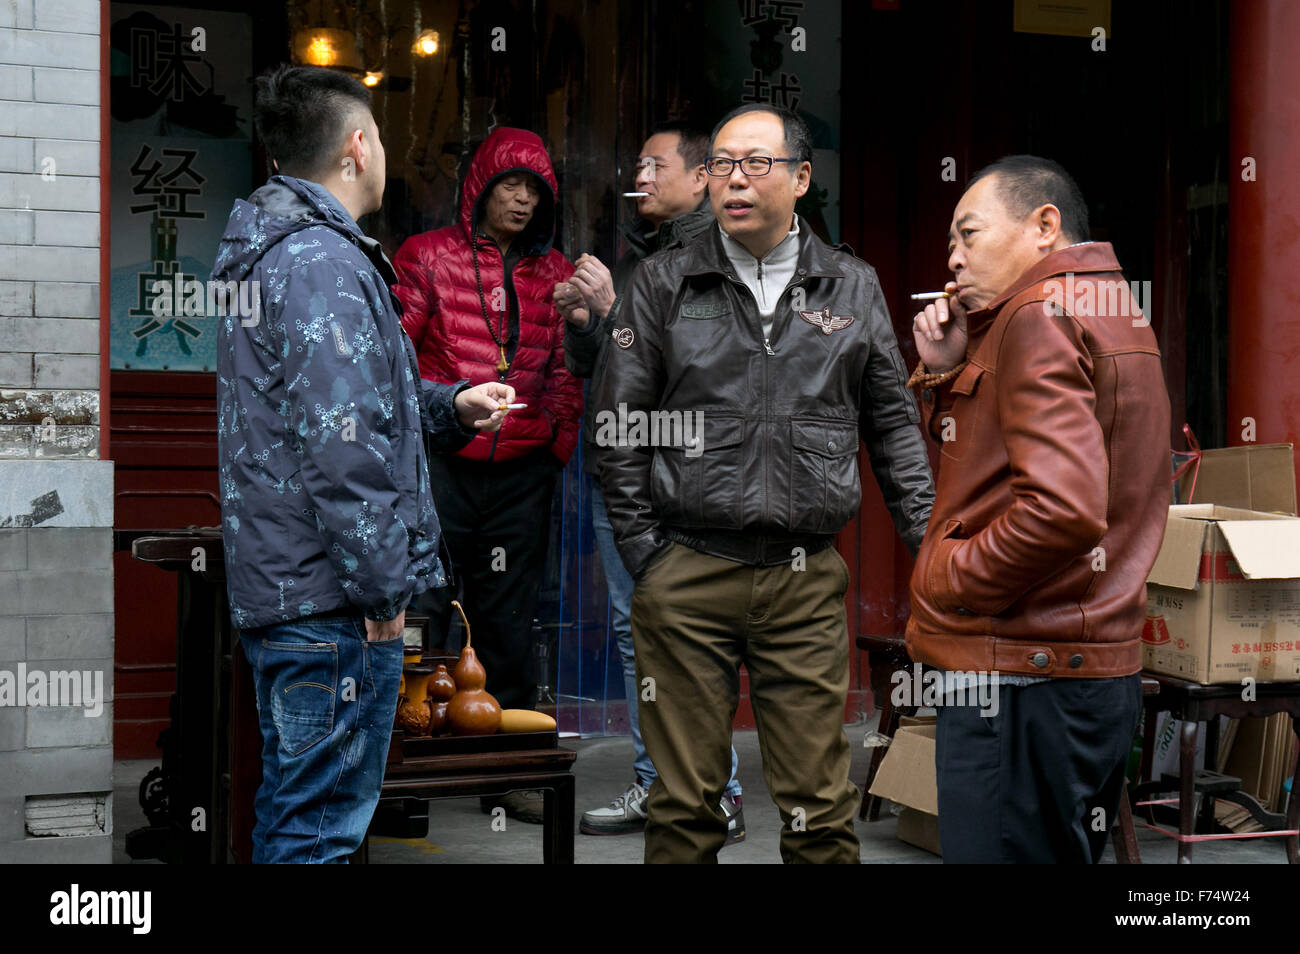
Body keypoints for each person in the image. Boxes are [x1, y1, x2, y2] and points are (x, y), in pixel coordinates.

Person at [595, 104, 934, 863]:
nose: (734, 180)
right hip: (685, 569)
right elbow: (617, 429)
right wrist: (648, 556)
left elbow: (893, 429)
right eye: (720, 165)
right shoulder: (661, 282)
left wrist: (932, 553)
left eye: (757, 163)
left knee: (820, 812)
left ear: (802, 178)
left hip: (804, 577)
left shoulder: (850, 286)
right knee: (683, 811)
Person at [214, 65, 513, 863]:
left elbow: (333, 405)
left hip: (295, 592)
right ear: (356, 146)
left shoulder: (275, 248)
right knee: (319, 828)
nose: (383, 150)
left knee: (299, 810)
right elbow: (342, 446)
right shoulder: (320, 259)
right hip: (329, 602)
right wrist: (383, 591)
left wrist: (449, 407)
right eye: (378, 134)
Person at [905, 155, 1171, 863]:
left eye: (968, 234)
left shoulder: (1036, 315)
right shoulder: (1109, 307)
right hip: (1086, 668)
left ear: (1043, 225)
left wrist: (948, 577)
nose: (952, 258)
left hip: (1023, 668)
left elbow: (1061, 511)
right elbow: (1001, 468)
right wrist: (944, 372)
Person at [555, 124, 745, 842]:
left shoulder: (717, 254)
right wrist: (585, 326)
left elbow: (698, 368)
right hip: (621, 473)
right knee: (641, 639)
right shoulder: (646, 257)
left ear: (701, 178)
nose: (639, 174)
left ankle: (715, 796)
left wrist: (610, 314)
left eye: (653, 164)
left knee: (688, 637)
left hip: (680, 478)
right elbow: (607, 370)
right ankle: (655, 784)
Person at [394, 128, 583, 823]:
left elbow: (566, 373)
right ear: (480, 186)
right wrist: (424, 434)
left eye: (535, 190)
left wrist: (553, 450)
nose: (523, 199)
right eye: (510, 184)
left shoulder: (557, 274)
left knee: (508, 623)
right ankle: (407, 776)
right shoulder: (428, 258)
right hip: (442, 464)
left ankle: (505, 777)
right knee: (423, 613)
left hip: (522, 474)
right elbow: (395, 357)